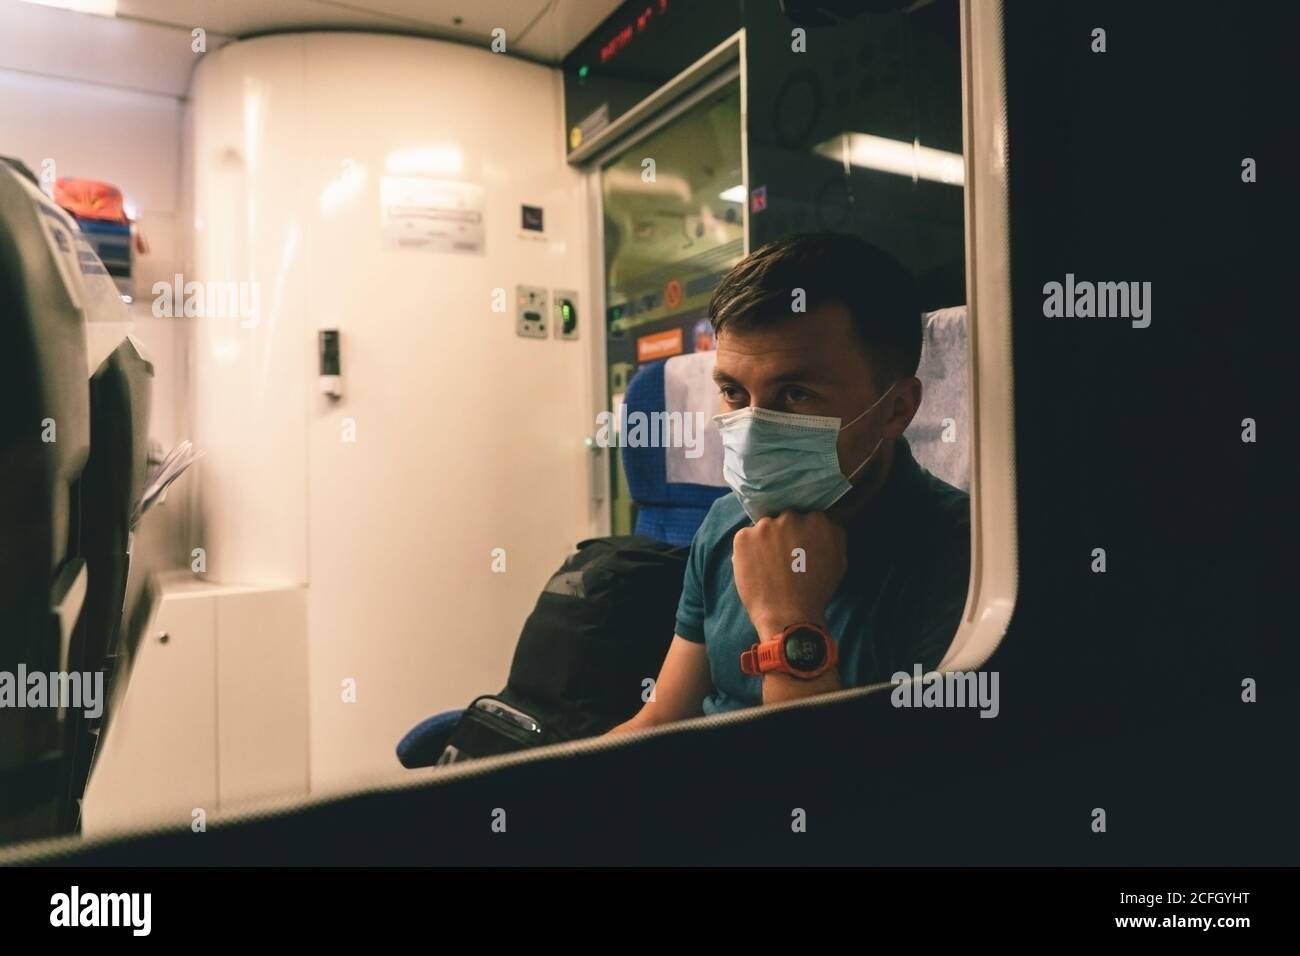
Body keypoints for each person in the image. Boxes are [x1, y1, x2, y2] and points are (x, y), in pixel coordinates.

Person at [608, 232, 970, 730]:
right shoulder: (724, 523)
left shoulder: (966, 559)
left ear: (896, 409)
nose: (753, 430)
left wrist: (789, 623)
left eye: (796, 393)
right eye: (733, 391)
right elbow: (664, 716)